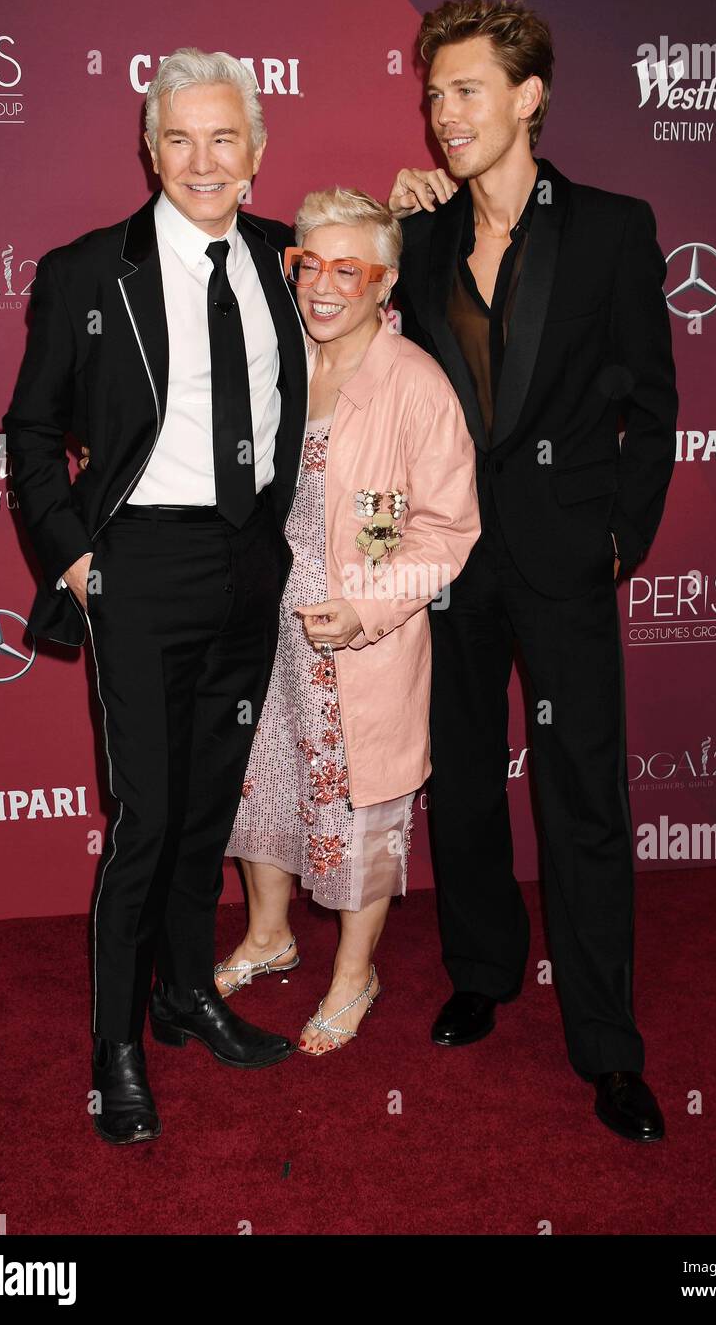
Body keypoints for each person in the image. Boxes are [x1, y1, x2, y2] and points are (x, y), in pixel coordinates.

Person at [2, 48, 309, 1144]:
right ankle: (116, 1045)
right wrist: (78, 559)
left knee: (204, 809)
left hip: (248, 566)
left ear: (257, 154)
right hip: (139, 567)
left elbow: (383, 263)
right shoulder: (90, 271)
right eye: (177, 137)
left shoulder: (288, 260)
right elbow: (31, 432)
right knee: (144, 818)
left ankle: (186, 993)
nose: (201, 159)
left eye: (223, 138)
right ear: (149, 149)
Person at [386, 0, 678, 1141]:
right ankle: (481, 971)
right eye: (432, 94)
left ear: (526, 98)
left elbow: (650, 405)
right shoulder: (418, 236)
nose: (442, 114)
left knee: (581, 795)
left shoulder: (610, 227)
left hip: (562, 548)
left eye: (464, 91)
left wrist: (620, 536)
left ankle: (607, 1044)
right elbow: (336, 302)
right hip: (451, 552)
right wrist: (390, 207)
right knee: (459, 773)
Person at [212, 188, 481, 1053]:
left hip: (355, 636)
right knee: (264, 786)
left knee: (359, 807)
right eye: (307, 265)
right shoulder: (280, 357)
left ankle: (354, 973)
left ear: (385, 280)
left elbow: (449, 530)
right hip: (265, 627)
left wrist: (366, 608)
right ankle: (267, 934)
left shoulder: (415, 383)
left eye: (347, 270)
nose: (324, 287)